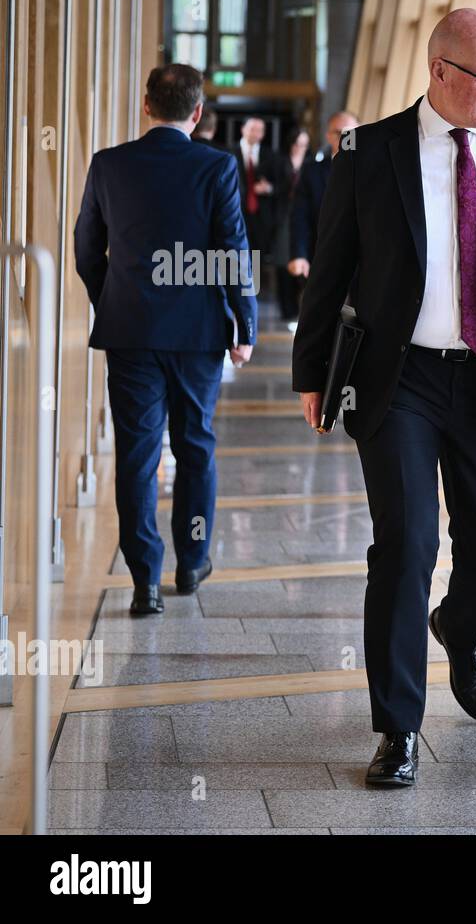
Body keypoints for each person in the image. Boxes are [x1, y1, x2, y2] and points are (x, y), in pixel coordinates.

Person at [291, 9, 476, 788]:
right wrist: (312, 373)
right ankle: (398, 729)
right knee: (408, 544)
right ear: (440, 71)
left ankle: (459, 627)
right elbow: (331, 267)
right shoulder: (369, 151)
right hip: (402, 381)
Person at [73, 63, 257, 615]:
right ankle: (192, 560)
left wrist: (114, 297)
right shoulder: (216, 166)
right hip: (198, 332)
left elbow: (87, 248)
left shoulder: (109, 165)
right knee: (195, 446)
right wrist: (243, 325)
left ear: (147, 105)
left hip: (130, 332)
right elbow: (233, 249)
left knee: (137, 454)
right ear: (197, 114)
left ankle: (144, 578)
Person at [287, 110, 359, 285]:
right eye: (339, 133)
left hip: (362, 265)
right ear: (328, 136)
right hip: (321, 260)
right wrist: (299, 254)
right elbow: (300, 217)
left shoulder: (375, 171)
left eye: (350, 132)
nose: (345, 137)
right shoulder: (312, 172)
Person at [231, 116, 286, 318]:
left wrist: (269, 189)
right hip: (237, 213)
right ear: (243, 129)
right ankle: (238, 292)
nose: (256, 133)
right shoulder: (229, 153)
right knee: (237, 253)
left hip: (262, 216)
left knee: (258, 254)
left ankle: (252, 295)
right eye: (252, 128)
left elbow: (284, 185)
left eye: (260, 130)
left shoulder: (272, 156)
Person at [272, 125, 312, 328]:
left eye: (304, 145)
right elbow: (274, 186)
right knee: (282, 261)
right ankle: (286, 308)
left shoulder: (311, 163)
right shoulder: (280, 162)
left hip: (302, 216)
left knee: (302, 263)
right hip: (283, 216)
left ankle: (299, 309)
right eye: (297, 144)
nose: (300, 148)